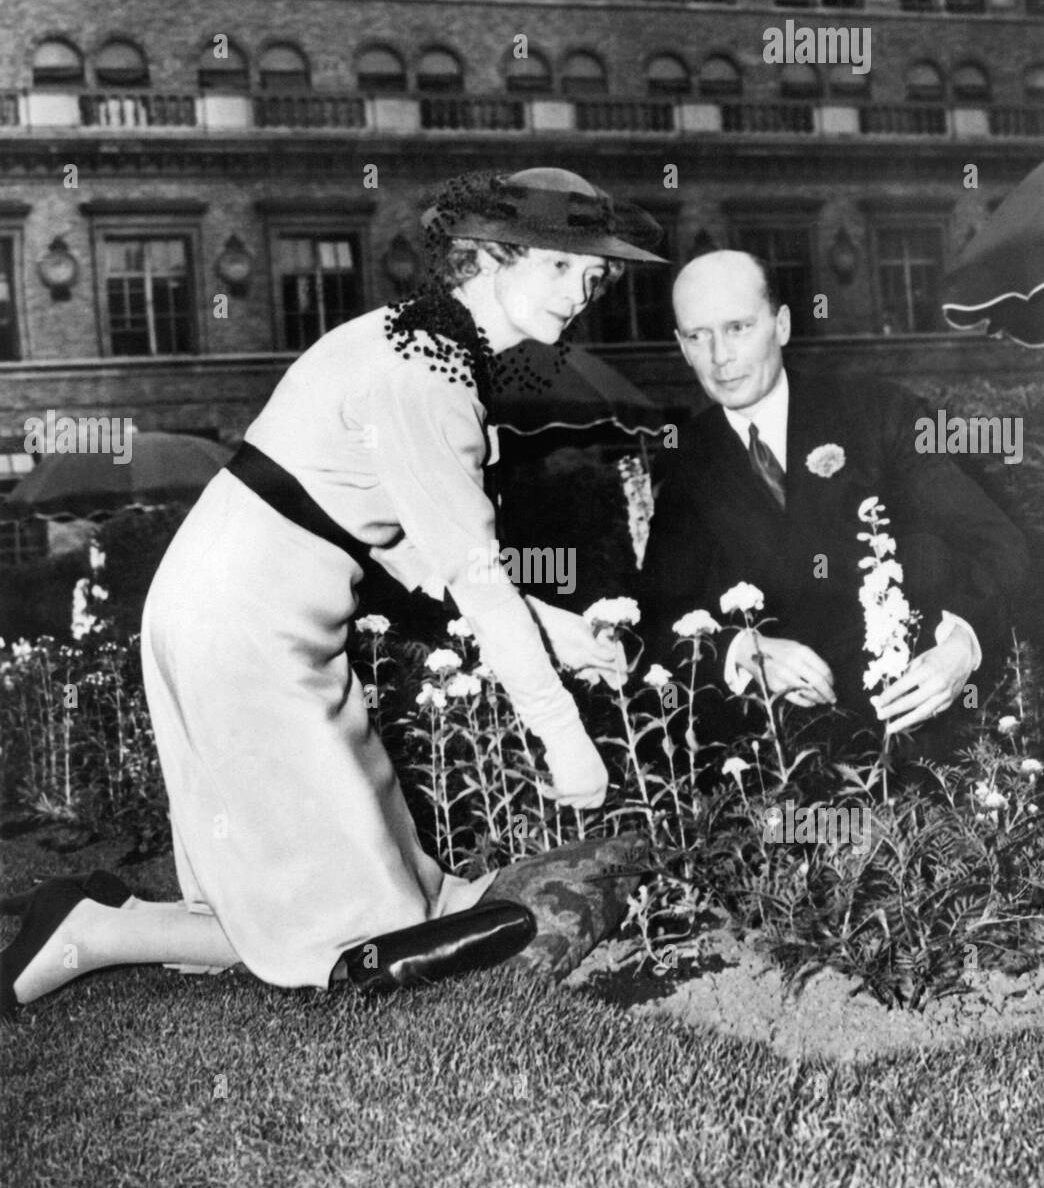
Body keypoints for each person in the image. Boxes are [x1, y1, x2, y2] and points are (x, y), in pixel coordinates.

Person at [1, 167, 667, 1019]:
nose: (583, 293)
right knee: (357, 924)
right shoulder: (429, 377)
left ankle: (95, 927)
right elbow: (474, 578)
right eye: (561, 266)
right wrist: (566, 740)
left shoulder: (399, 338)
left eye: (594, 274)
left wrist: (564, 635)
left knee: (320, 882)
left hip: (223, 608)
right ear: (491, 257)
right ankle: (85, 935)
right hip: (248, 626)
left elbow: (413, 553)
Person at [640, 249, 1029, 752]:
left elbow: (999, 543)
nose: (719, 357)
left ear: (780, 325)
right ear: (680, 345)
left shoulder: (878, 414)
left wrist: (962, 646)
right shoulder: (687, 456)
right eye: (697, 336)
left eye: (738, 328)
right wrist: (740, 650)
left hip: (914, 749)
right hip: (773, 766)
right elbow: (657, 614)